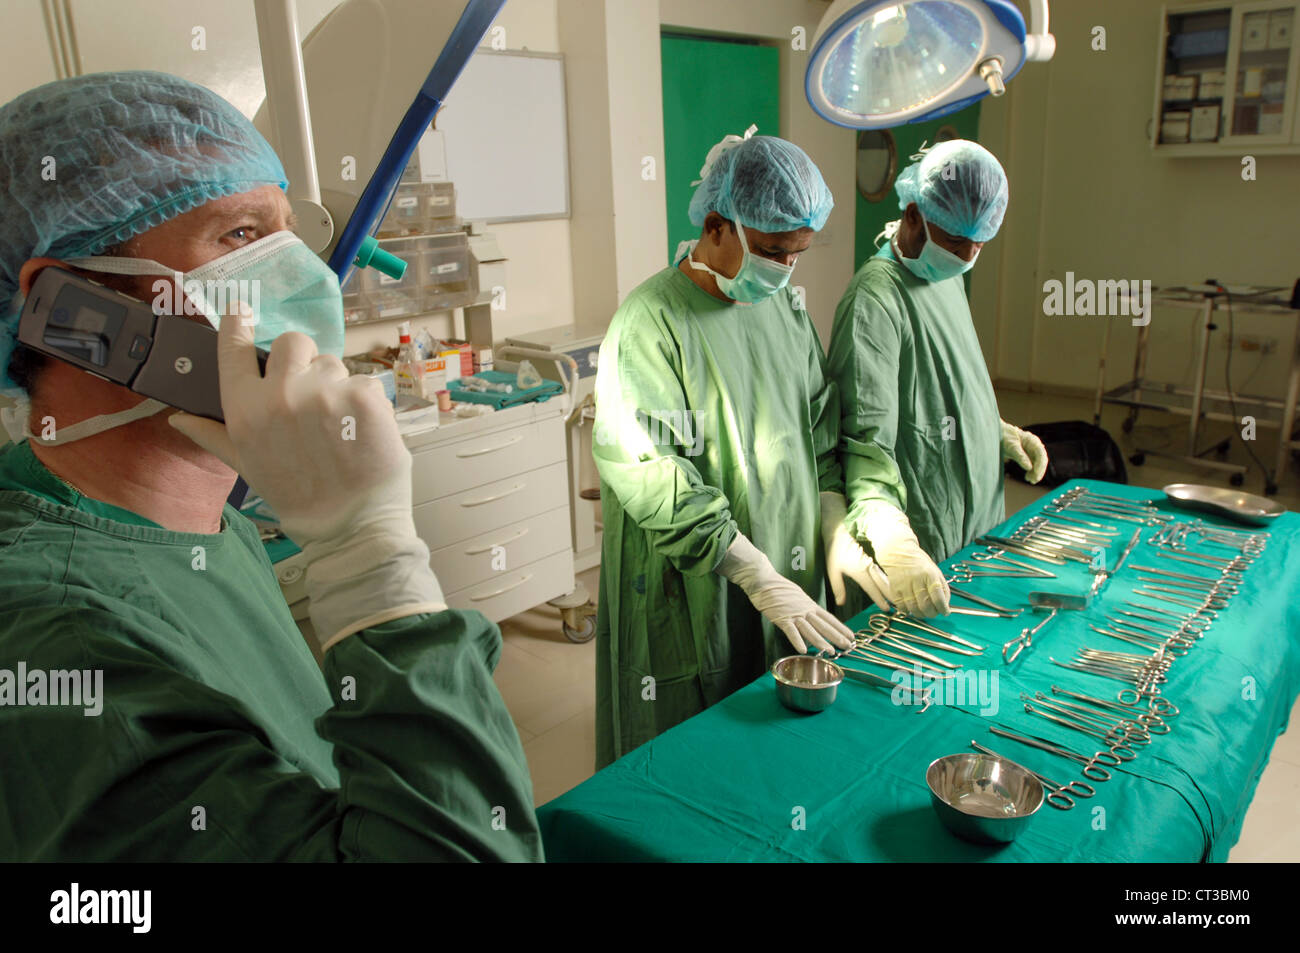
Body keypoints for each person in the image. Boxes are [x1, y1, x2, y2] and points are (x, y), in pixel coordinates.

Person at [0, 71, 542, 861]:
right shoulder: (51, 634)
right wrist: (375, 565)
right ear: (72, 313)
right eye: (241, 235)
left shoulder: (213, 525)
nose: (309, 279)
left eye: (291, 233)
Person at [591, 127, 892, 768]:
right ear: (719, 225)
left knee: (771, 742)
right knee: (688, 748)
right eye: (773, 250)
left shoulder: (782, 309)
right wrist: (751, 569)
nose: (785, 269)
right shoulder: (648, 322)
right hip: (690, 571)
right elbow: (651, 472)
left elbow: (816, 422)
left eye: (797, 255)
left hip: (785, 552)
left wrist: (834, 512)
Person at [826, 140, 1047, 619]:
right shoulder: (875, 301)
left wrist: (996, 429)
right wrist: (894, 543)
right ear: (912, 215)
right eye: (954, 243)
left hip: (977, 520)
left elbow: (948, 381)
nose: (966, 256)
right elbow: (865, 443)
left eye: (979, 245)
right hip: (920, 539)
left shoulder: (945, 275)